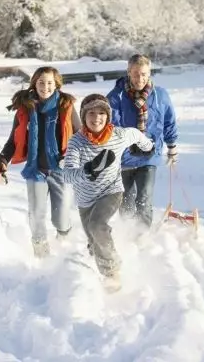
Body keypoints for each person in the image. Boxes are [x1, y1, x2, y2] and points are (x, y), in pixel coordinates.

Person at [61, 94, 154, 292]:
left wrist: (147, 148)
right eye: (91, 113)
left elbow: (137, 135)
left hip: (111, 191)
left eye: (102, 113)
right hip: (85, 199)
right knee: (93, 240)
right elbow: (67, 175)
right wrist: (86, 171)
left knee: (97, 225)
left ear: (108, 115)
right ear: (84, 116)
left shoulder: (119, 135)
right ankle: (99, 250)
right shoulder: (76, 142)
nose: (97, 118)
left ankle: (112, 272)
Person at [0, 66, 80, 258]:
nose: (45, 86)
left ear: (56, 84)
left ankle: (64, 240)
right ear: (34, 84)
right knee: (36, 215)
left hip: (61, 170)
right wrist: (2, 160)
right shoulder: (25, 109)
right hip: (35, 170)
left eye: (49, 83)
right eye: (41, 82)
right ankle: (42, 256)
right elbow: (13, 141)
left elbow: (80, 136)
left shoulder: (66, 106)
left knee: (61, 217)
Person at [107, 54, 178, 229]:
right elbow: (110, 128)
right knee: (127, 201)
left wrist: (172, 146)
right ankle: (128, 232)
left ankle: (143, 235)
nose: (141, 78)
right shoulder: (116, 97)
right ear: (129, 72)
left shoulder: (160, 95)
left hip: (150, 156)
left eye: (144, 74)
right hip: (124, 158)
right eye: (136, 74)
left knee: (144, 198)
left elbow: (169, 121)